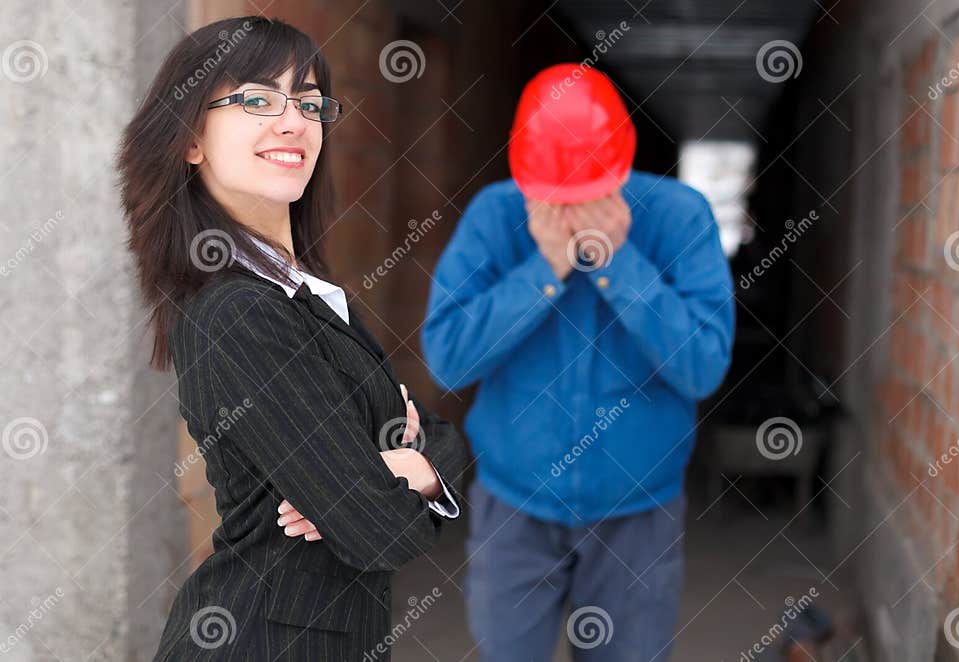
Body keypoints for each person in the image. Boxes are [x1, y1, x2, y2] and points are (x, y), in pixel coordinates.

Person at [117, 16, 468, 661]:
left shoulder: (303, 291)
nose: (294, 121)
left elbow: (437, 437)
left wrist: (405, 467)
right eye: (257, 99)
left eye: (308, 102)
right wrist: (401, 471)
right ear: (191, 139)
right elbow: (377, 528)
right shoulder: (238, 313)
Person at [420, 63, 736, 662]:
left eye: (586, 195)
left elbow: (702, 366)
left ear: (619, 167)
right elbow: (449, 360)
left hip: (638, 516)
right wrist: (546, 270)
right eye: (553, 197)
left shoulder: (678, 216)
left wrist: (617, 264)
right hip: (515, 508)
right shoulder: (495, 215)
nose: (569, 210)